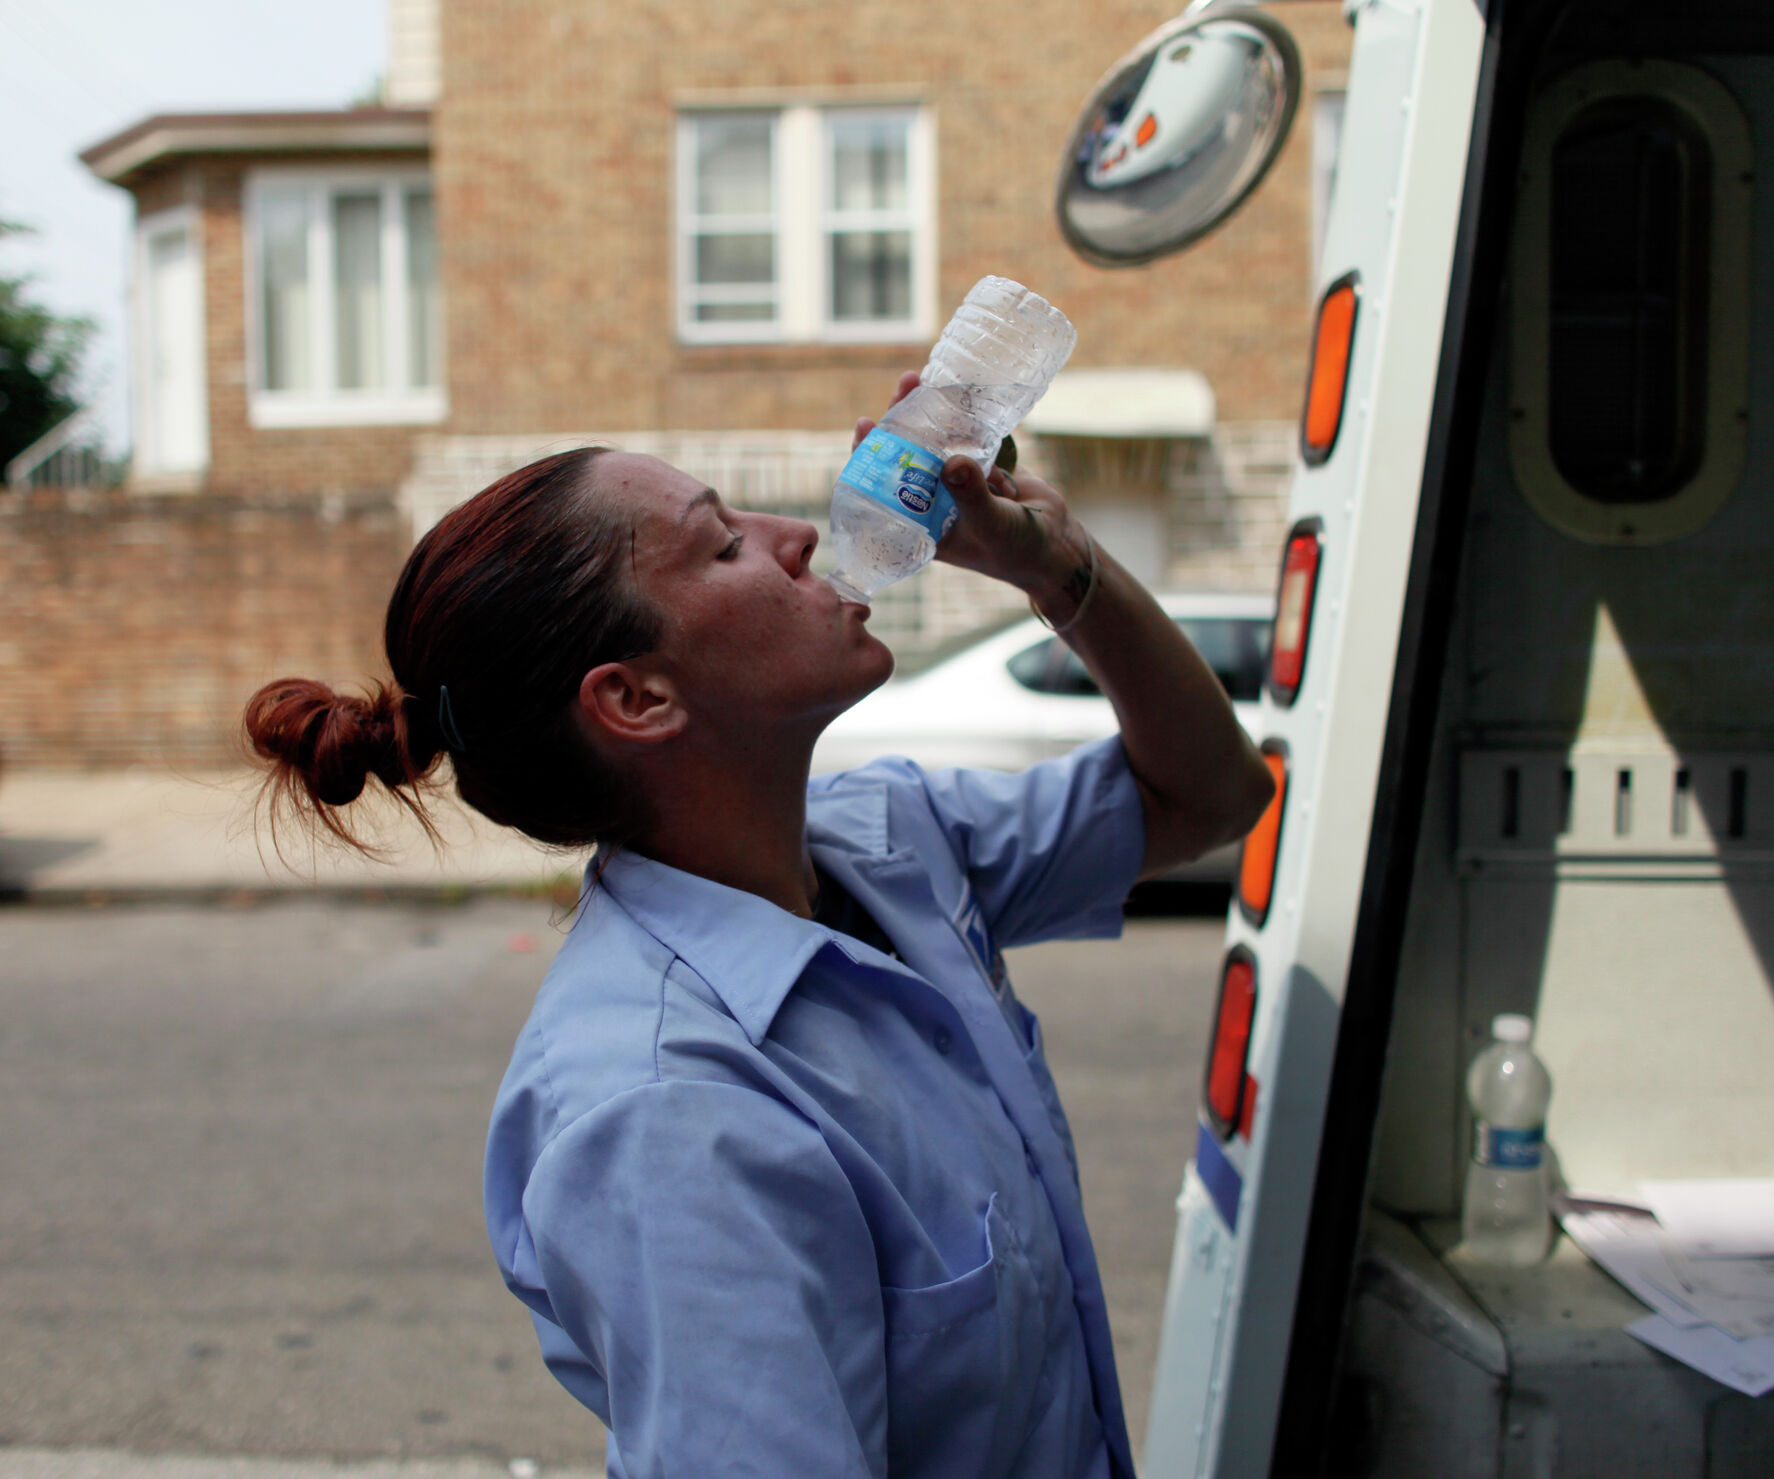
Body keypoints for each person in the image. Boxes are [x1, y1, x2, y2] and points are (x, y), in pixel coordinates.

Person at [244, 371, 1273, 1479]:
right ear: (637, 700)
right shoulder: (664, 1115)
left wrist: (1056, 570)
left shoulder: (890, 842)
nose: (793, 535)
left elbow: (1207, 798)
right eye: (723, 544)